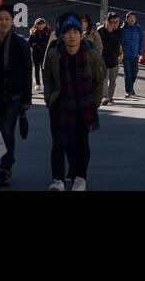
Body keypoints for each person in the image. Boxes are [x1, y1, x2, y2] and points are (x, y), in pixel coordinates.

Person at [42, 13, 105, 191]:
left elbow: (99, 79)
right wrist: (49, 99)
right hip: (60, 106)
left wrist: (96, 102)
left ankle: (80, 178)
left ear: (81, 34)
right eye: (67, 32)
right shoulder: (55, 53)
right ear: (62, 35)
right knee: (59, 143)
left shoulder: (90, 54)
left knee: (81, 143)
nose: (71, 35)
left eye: (75, 31)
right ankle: (58, 181)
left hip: (84, 106)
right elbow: (47, 77)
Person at [0, 3, 33, 186]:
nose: (4, 23)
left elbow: (27, 71)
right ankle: (7, 161)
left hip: (15, 96)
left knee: (7, 130)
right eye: (0, 19)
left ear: (13, 21)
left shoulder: (20, 44)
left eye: (7, 19)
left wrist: (27, 98)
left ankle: (5, 168)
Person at [96, 12, 124, 106]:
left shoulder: (119, 30)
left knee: (112, 80)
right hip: (102, 58)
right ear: (107, 22)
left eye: (117, 21)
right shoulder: (100, 30)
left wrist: (111, 32)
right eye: (113, 22)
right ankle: (101, 97)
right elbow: (97, 44)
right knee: (101, 79)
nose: (116, 24)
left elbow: (118, 42)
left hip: (114, 59)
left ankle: (109, 98)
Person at [120, 12, 145, 97]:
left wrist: (140, 52)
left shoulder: (138, 28)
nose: (132, 19)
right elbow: (119, 42)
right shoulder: (122, 29)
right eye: (130, 18)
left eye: (134, 18)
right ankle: (128, 91)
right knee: (128, 72)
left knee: (134, 72)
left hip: (135, 55)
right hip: (125, 55)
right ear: (126, 19)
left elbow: (142, 41)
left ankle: (130, 87)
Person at [29, 18, 51, 91]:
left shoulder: (48, 32)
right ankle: (38, 84)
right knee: (37, 69)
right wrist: (34, 45)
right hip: (36, 53)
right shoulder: (34, 33)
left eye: (42, 24)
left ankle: (45, 84)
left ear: (45, 24)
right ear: (36, 25)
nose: (41, 26)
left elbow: (50, 43)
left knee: (44, 69)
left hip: (44, 53)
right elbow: (29, 43)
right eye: (39, 24)